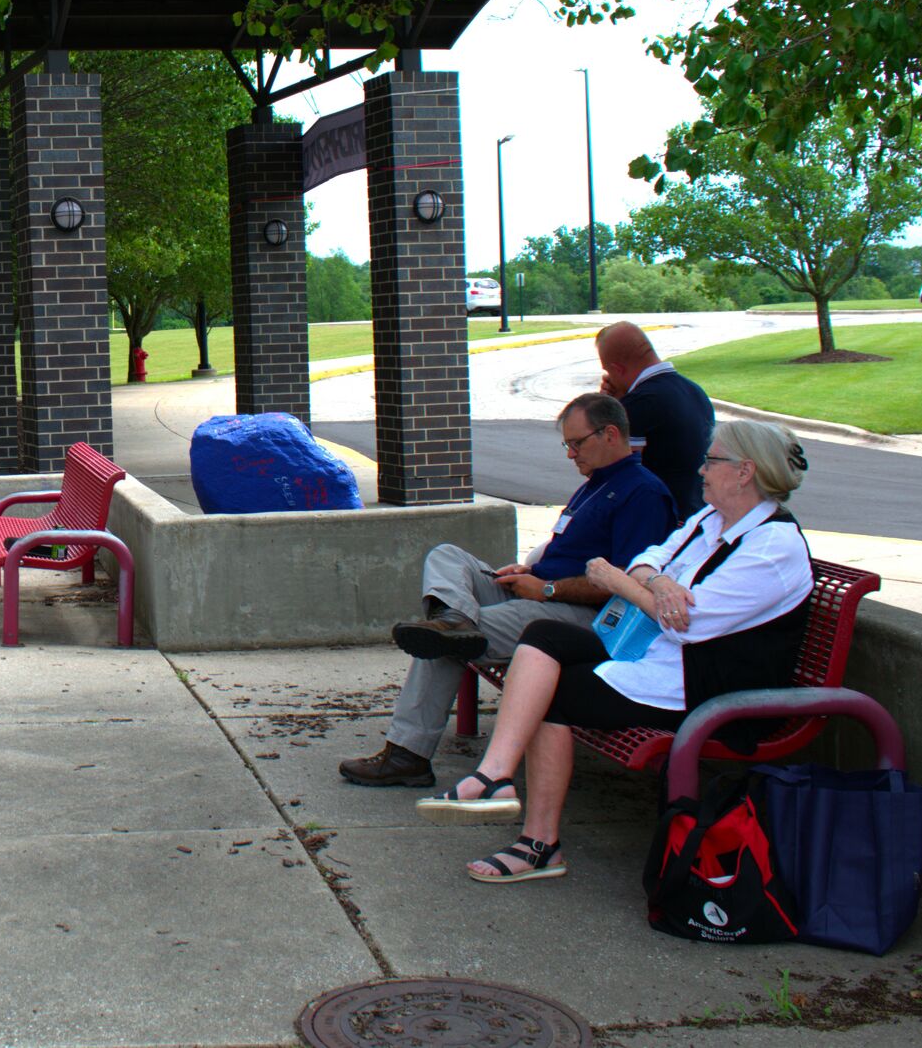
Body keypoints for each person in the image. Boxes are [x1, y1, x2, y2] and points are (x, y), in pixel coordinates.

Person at [415, 420, 813, 884]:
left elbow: (690, 625)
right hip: (658, 660)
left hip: (712, 689)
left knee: (554, 693)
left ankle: (538, 845)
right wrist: (658, 582)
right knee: (544, 636)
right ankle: (496, 774)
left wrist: (618, 581)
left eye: (712, 460)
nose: (701, 469)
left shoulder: (773, 548)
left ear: (744, 472)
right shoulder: (711, 520)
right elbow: (650, 557)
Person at [339, 393, 675, 788]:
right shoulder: (595, 485)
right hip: (539, 590)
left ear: (611, 434)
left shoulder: (642, 493)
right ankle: (455, 619)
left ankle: (408, 754)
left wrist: (546, 588)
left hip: (580, 618)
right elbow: (571, 552)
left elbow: (622, 587)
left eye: (577, 443)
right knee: (448, 557)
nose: (570, 454)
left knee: (443, 641)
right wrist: (531, 570)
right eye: (567, 445)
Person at [597, 320, 714, 523]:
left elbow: (615, 473)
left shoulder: (640, 403)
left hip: (660, 521)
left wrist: (610, 410)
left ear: (617, 369)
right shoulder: (695, 391)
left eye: (608, 370)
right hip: (697, 513)